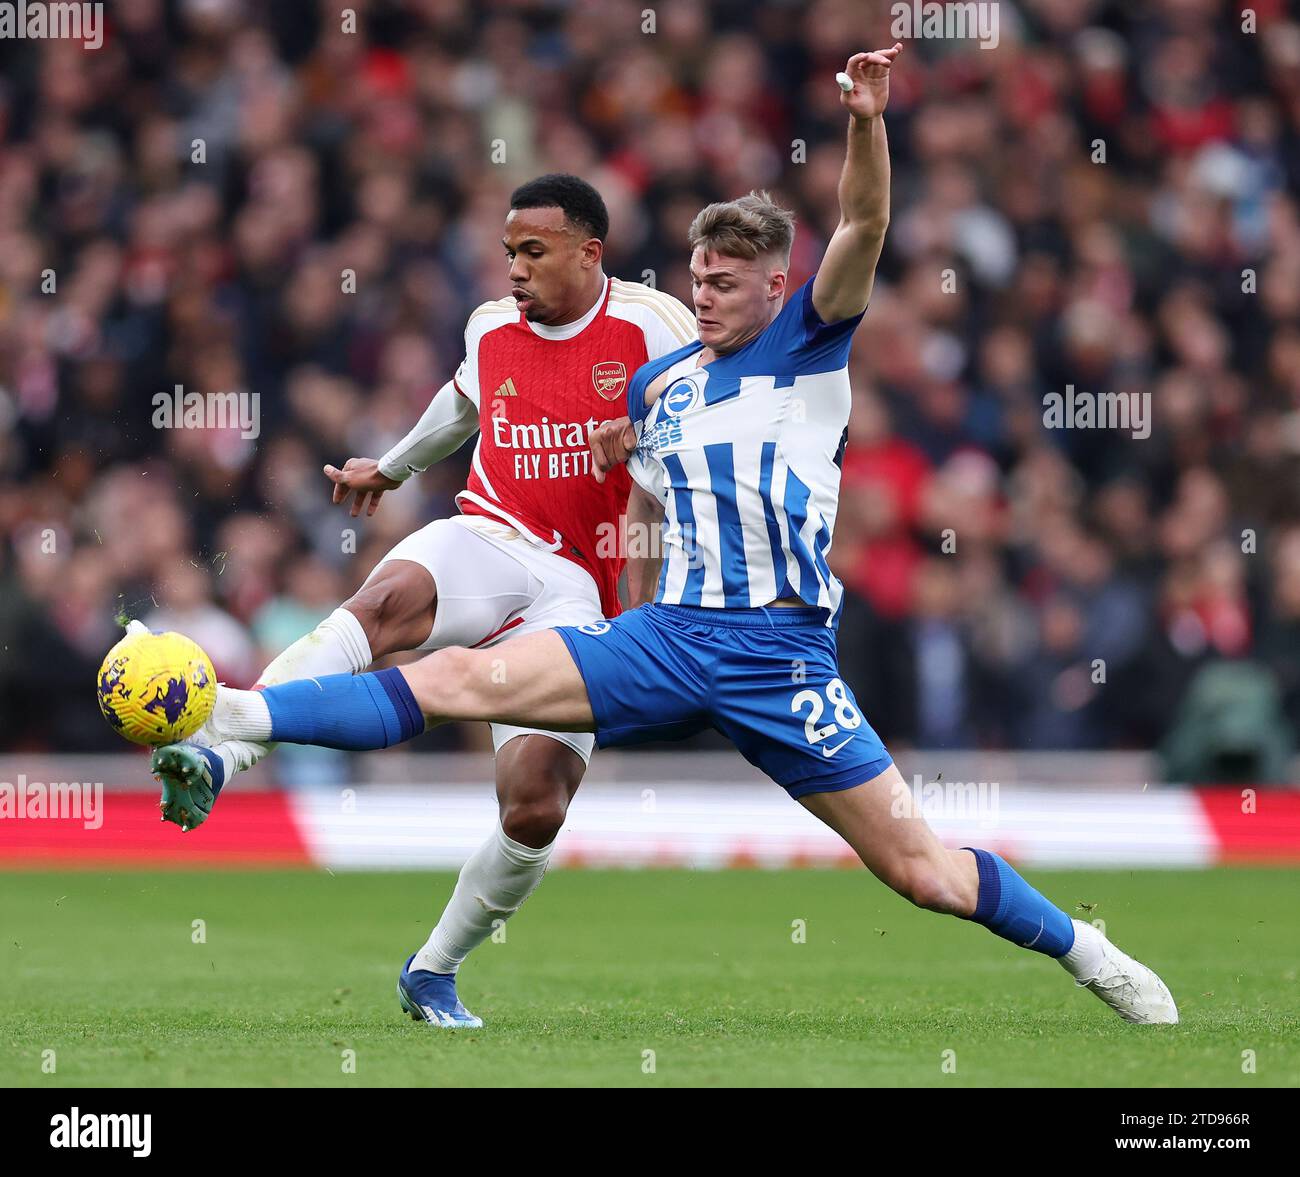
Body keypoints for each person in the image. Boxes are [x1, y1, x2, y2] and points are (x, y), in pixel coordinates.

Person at [180, 49, 1178, 1026]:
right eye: (698, 277)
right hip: (667, 635)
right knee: (461, 685)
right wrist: (607, 476)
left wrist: (865, 123)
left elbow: (865, 220)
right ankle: (236, 722)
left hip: (780, 656)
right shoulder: (666, 380)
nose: (704, 295)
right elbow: (638, 486)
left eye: (727, 282)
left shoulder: (809, 342)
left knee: (922, 873)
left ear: (775, 286)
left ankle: (1091, 954)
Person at [151, 173, 697, 1028]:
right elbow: (462, 402)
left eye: (534, 251)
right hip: (490, 534)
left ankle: (433, 968)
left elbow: (695, 435)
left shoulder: (655, 324)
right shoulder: (490, 326)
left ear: (591, 253)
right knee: (387, 601)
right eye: (508, 250)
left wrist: (647, 559)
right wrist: (393, 465)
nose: (514, 269)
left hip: (580, 594)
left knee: (536, 802)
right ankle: (227, 748)